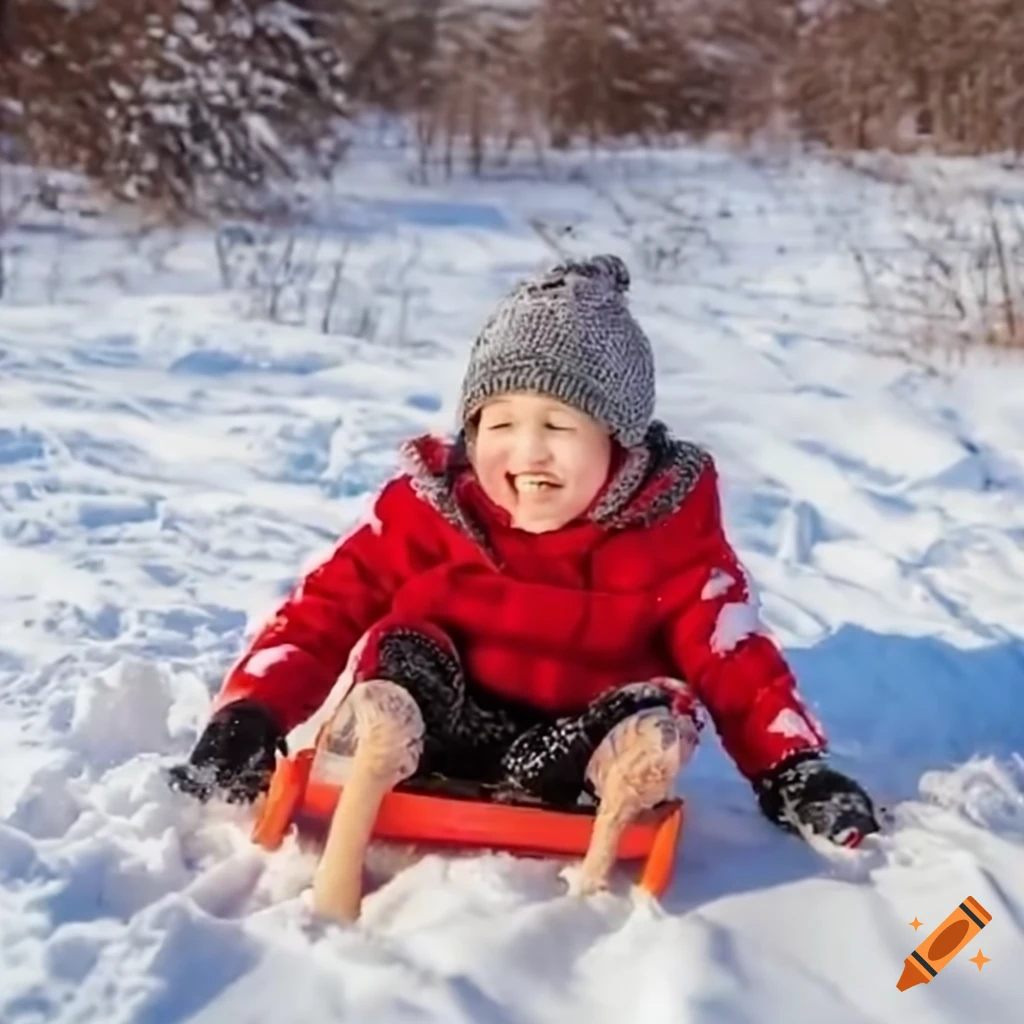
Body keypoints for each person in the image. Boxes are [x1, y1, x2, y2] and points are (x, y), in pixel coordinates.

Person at [169, 254, 880, 850]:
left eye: (559, 424)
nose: (526, 450)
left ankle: (625, 763)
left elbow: (733, 658)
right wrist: (251, 716)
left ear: (620, 439)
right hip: (441, 721)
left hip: (571, 742)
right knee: (406, 650)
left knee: (654, 708)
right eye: (499, 422)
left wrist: (792, 767)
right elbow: (326, 608)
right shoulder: (429, 511)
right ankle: (379, 735)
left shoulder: (667, 530)